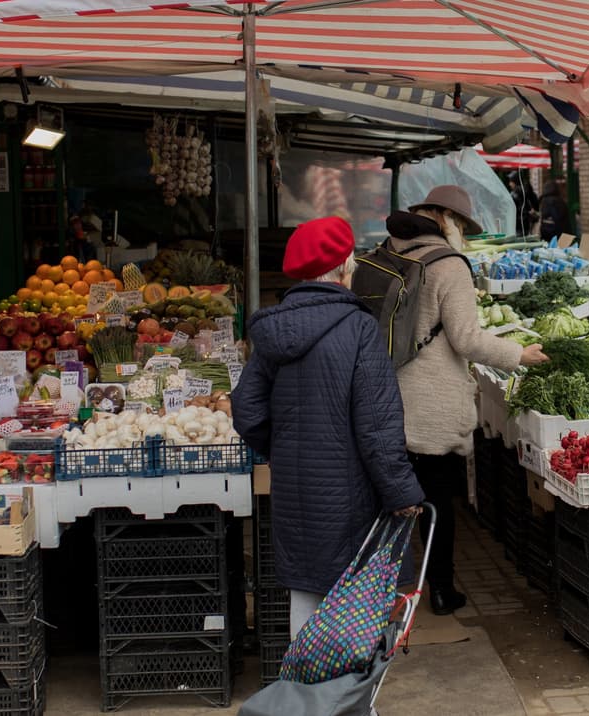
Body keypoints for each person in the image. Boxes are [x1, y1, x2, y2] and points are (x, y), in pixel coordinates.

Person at [232, 216, 425, 639]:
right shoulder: (359, 328)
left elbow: (246, 410)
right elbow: (377, 425)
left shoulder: (272, 330)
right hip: (352, 489)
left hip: (294, 487)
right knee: (356, 602)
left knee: (305, 589)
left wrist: (285, 447)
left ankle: (305, 693)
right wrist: (401, 492)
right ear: (345, 268)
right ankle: (349, 701)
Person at [388, 185, 549, 615]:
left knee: (397, 496)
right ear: (444, 217)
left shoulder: (388, 251)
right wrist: (519, 354)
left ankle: (391, 591)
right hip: (431, 399)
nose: (461, 231)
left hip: (385, 395)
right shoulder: (448, 264)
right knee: (438, 498)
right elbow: (466, 338)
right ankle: (440, 590)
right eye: (459, 222)